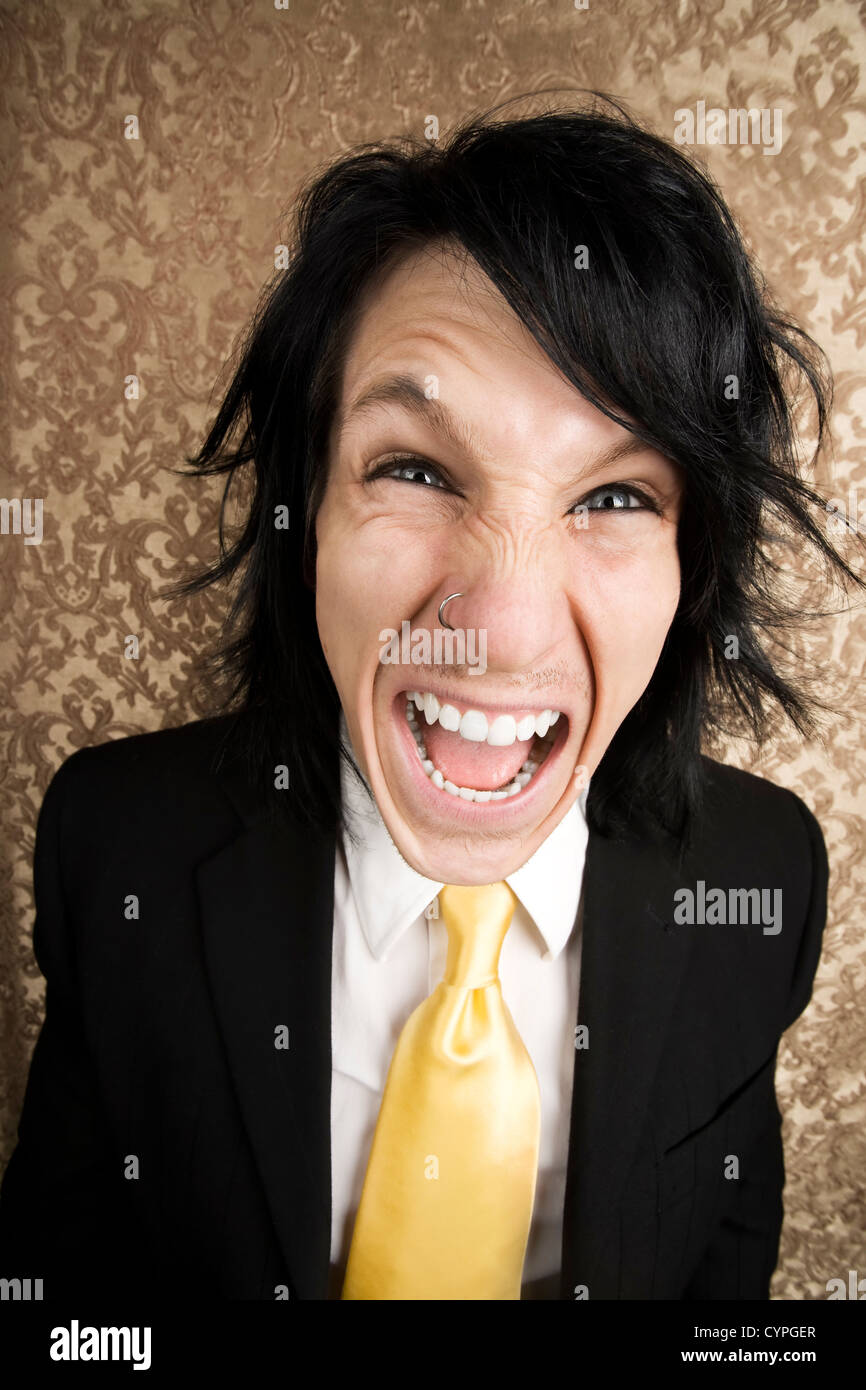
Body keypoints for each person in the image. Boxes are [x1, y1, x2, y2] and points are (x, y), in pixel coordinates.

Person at [0, 97, 861, 1301]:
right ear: (307, 515)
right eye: (412, 468)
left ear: (691, 565)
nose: (500, 633)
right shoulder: (116, 840)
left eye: (613, 496)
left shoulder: (762, 874)